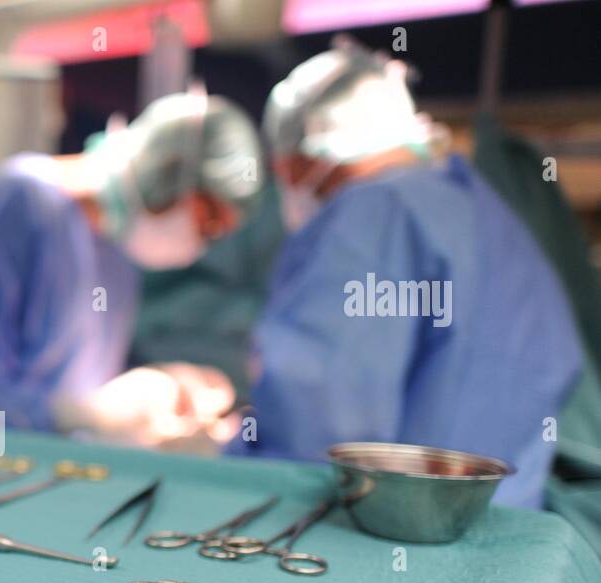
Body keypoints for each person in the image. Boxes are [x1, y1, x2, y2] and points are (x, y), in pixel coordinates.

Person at [232, 39, 583, 508]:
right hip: (506, 526)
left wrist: (222, 452)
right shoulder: (484, 211)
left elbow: (320, 425)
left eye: (285, 169)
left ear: (303, 159)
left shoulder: (374, 213)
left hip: (398, 532)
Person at [0, 90, 264, 444]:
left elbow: (73, 393)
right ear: (167, 172)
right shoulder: (6, 210)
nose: (202, 244)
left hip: (28, 478)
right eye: (207, 221)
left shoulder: (116, 259)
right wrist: (82, 417)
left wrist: (162, 397)